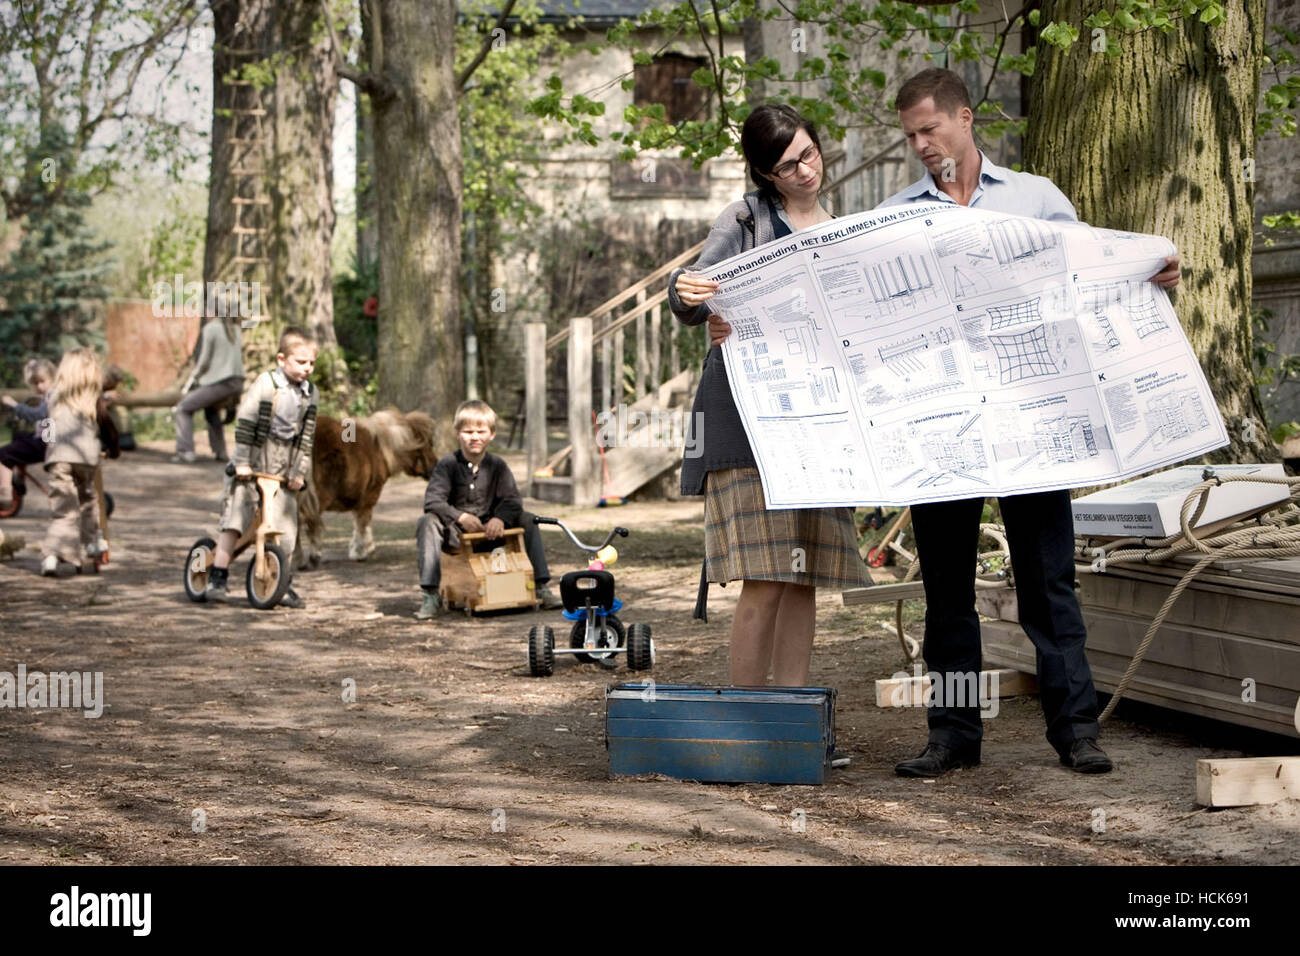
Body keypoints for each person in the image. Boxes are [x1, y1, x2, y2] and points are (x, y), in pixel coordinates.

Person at [666, 103, 872, 687]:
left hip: (822, 422)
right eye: (785, 166)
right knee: (765, 575)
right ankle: (745, 717)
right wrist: (693, 296)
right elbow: (690, 296)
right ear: (764, 175)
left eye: (808, 153)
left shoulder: (842, 226)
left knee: (802, 576)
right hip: (750, 422)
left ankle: (793, 715)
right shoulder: (745, 218)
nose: (804, 170)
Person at [415, 400, 563, 619]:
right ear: (458, 434)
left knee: (529, 519)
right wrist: (460, 516)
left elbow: (512, 500)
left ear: (491, 434)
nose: (474, 437)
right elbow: (433, 501)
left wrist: (500, 519)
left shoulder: (498, 466)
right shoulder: (447, 465)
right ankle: (430, 594)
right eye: (468, 431)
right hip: (457, 535)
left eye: (480, 431)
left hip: (492, 534)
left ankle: (540, 586)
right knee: (427, 521)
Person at [205, 326, 318, 608]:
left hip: (283, 466)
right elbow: (245, 423)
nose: (307, 369)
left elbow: (306, 437)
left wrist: (298, 472)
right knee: (236, 517)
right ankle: (217, 575)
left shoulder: (309, 394)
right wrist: (242, 462)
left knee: (287, 526)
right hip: (254, 459)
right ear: (282, 359)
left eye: (311, 363)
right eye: (300, 362)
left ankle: (282, 582)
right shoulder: (265, 385)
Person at [36, 349, 105, 576]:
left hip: (60, 458)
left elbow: (47, 429)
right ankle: (90, 544)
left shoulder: (53, 396)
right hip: (87, 459)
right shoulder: (93, 398)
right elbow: (106, 427)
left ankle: (52, 556)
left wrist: (48, 449)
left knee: (64, 509)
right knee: (87, 500)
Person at [173, 314, 244, 463]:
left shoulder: (210, 329)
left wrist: (194, 377)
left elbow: (204, 362)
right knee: (211, 410)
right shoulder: (236, 328)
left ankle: (186, 451)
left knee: (182, 409)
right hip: (237, 383)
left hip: (222, 383)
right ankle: (221, 451)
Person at [0, 358, 57, 508]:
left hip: (47, 443)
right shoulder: (48, 395)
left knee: (3, 454)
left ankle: (5, 494)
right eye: (35, 383)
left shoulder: (52, 396)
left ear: (52, 378)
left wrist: (15, 405)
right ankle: (19, 477)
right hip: (44, 439)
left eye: (42, 382)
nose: (39, 386)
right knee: (19, 436)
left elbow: (37, 414)